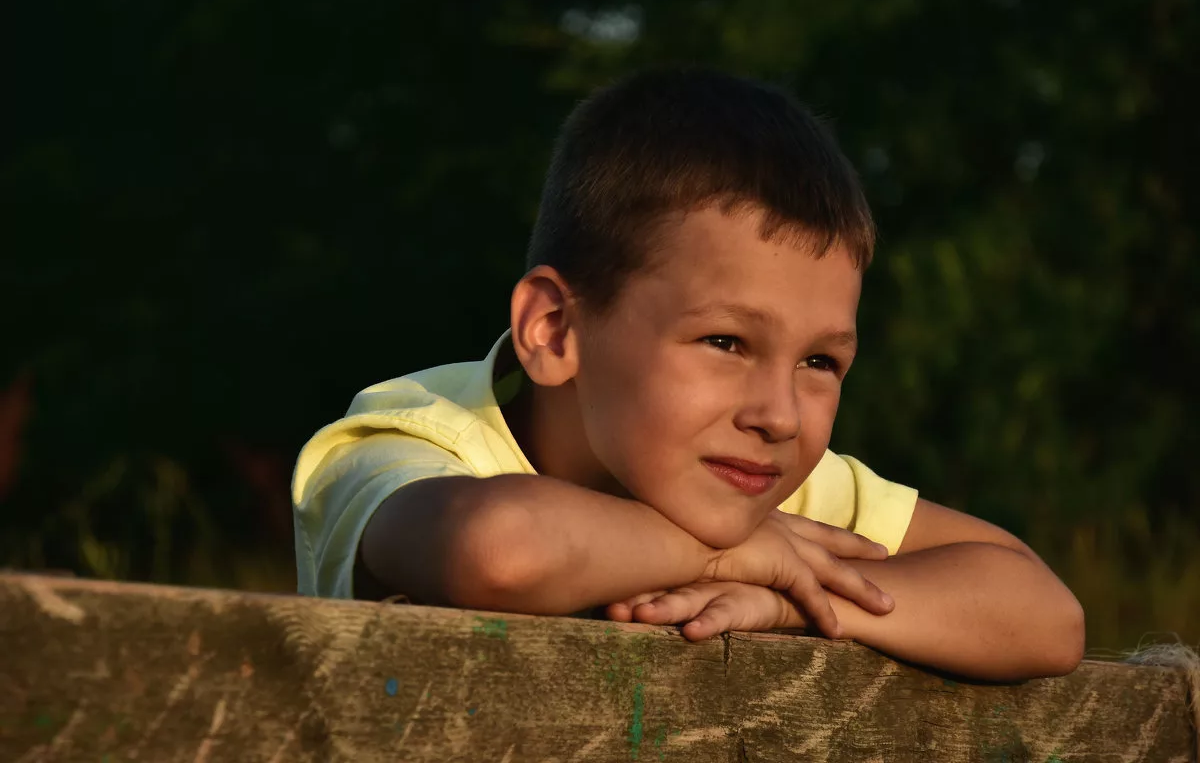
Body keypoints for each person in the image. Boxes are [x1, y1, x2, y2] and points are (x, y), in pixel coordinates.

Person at [291, 69, 1084, 681]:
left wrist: (797, 603)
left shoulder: (763, 490)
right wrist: (738, 557)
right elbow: (499, 549)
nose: (779, 415)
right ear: (555, 330)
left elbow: (1046, 615)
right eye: (726, 343)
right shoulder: (406, 440)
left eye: (819, 362)